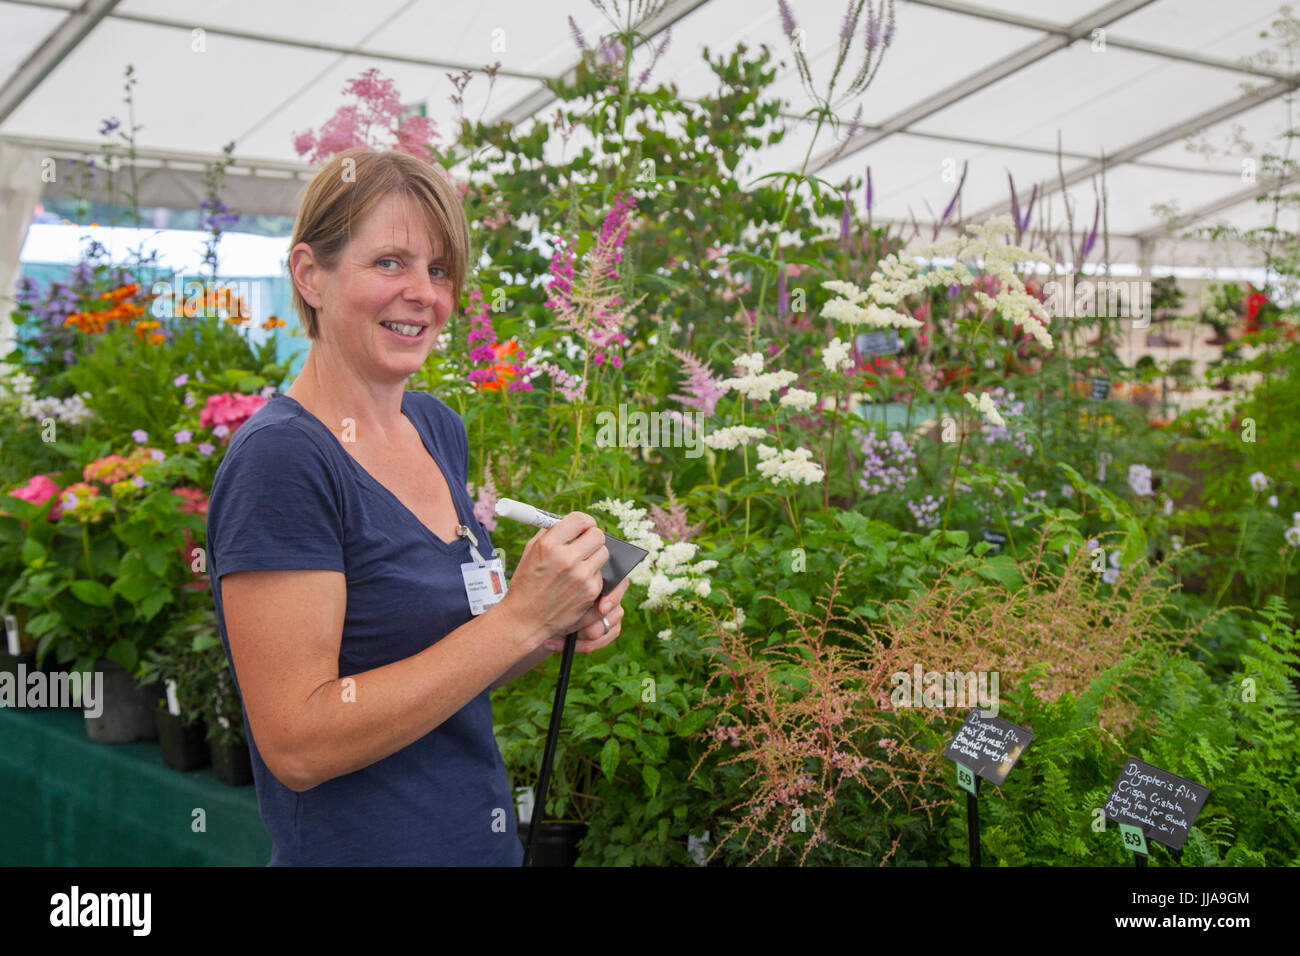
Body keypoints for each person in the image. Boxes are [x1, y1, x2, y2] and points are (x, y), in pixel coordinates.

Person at [205, 148, 629, 865]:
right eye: (390, 263)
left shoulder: (435, 429)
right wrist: (518, 620)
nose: (424, 294)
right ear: (310, 275)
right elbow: (298, 744)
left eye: (439, 270)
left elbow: (447, 653)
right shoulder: (283, 461)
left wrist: (553, 623)